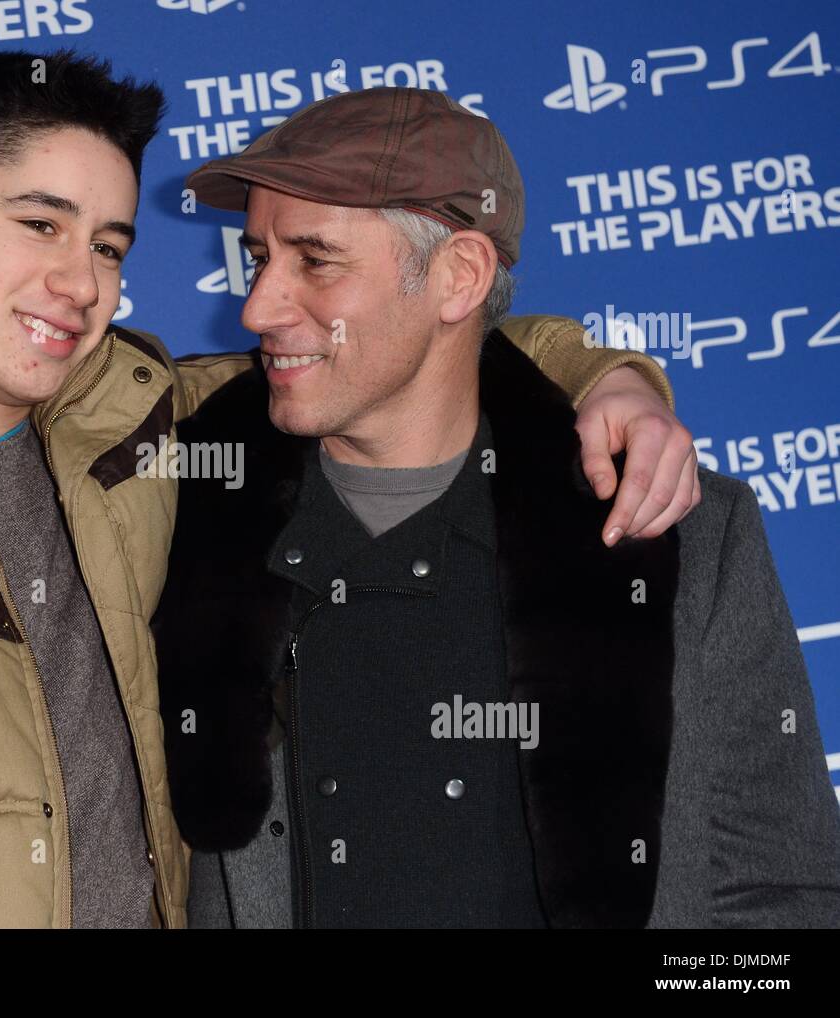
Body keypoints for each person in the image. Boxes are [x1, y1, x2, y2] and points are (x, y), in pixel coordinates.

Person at [0, 53, 694, 929]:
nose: (80, 283)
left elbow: (413, 351)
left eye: (108, 244)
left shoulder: (145, 436)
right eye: (39, 225)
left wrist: (612, 381)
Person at [152, 86, 840, 928]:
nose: (256, 307)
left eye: (315, 259)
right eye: (260, 256)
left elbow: (781, 899)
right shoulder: (177, 520)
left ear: (460, 276)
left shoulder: (682, 536)